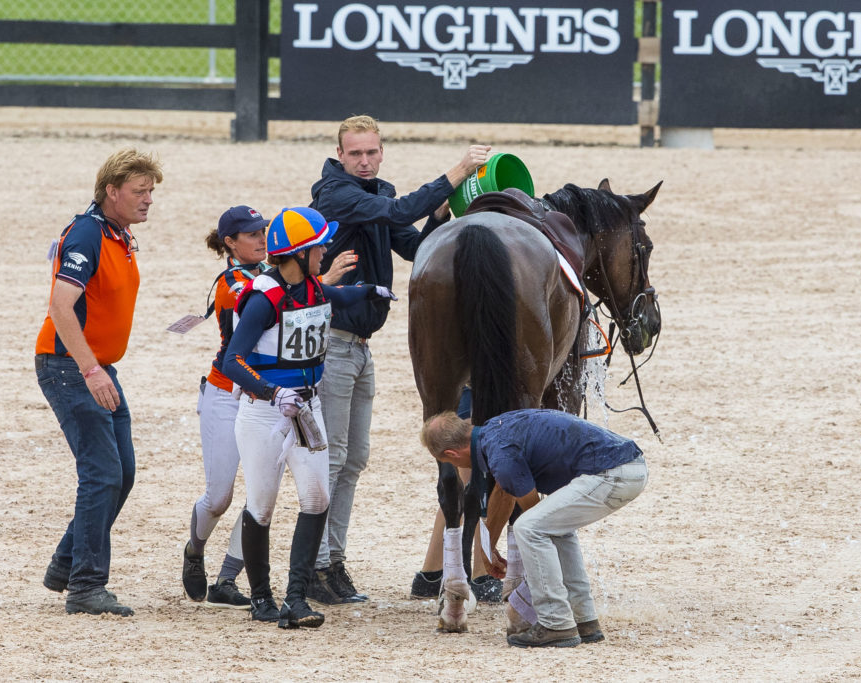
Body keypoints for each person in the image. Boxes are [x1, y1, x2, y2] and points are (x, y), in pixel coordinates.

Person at [308, 113, 492, 604]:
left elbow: (413, 244)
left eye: (372, 152)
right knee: (332, 459)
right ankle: (316, 567)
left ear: (381, 151)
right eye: (355, 154)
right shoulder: (334, 193)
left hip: (360, 347)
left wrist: (444, 215)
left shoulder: (374, 193)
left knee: (353, 460)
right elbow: (395, 213)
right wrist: (453, 174)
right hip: (332, 342)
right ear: (340, 155)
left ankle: (333, 564)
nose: (364, 161)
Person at [222, 206, 397, 629]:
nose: (325, 251)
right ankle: (262, 597)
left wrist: (372, 290)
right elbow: (232, 361)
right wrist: (272, 390)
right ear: (299, 254)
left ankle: (296, 598)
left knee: (316, 499)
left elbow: (338, 296)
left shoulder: (313, 287)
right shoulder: (264, 299)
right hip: (266, 413)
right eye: (319, 246)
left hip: (307, 408)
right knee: (261, 507)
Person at [182, 205, 356, 610]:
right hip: (232, 392)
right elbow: (260, 309)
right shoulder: (237, 285)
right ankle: (195, 550)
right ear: (230, 243)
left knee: (281, 496)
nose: (261, 239)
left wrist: (319, 287)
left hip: (285, 396)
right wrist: (317, 285)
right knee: (221, 497)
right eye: (250, 234)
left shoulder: (282, 278)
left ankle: (233, 580)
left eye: (264, 231)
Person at [35, 148, 163, 617]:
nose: (148, 199)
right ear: (112, 191)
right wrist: (90, 370)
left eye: (151, 191)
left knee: (121, 473)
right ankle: (86, 587)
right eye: (139, 191)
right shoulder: (89, 233)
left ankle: (67, 564)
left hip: (95, 366)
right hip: (71, 366)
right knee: (102, 474)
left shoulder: (117, 233)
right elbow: (61, 307)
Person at [420, 409, 649, 648]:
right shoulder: (496, 430)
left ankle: (555, 623)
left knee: (530, 527)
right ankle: (585, 620)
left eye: (449, 463)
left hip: (615, 474)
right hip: (627, 464)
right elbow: (503, 489)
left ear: (451, 454)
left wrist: (492, 553)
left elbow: (531, 510)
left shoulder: (500, 453)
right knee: (551, 525)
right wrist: (488, 551)